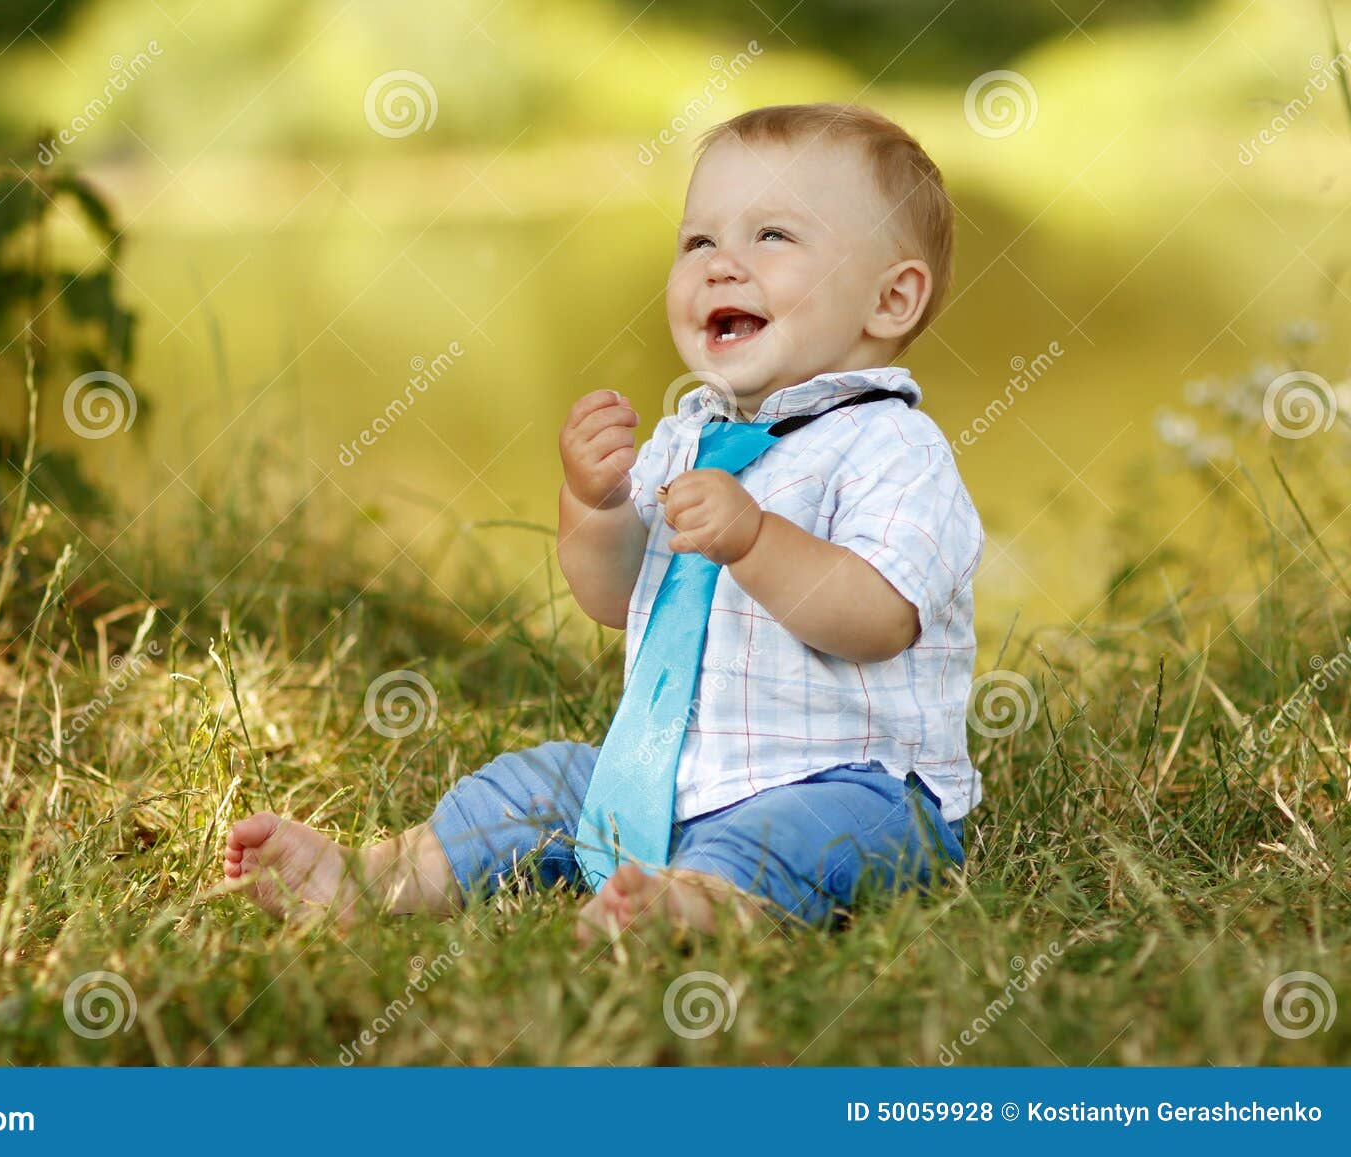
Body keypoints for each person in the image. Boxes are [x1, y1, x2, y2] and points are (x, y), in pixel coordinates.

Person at [224, 102, 984, 942]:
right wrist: (595, 504)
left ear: (891, 297)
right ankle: (377, 876)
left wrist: (758, 542)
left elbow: (879, 619)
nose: (723, 265)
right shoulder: (687, 437)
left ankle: (699, 904)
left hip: (854, 787)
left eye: (772, 236)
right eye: (699, 242)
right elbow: (615, 595)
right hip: (665, 779)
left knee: (791, 839)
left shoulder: (894, 451)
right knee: (536, 782)